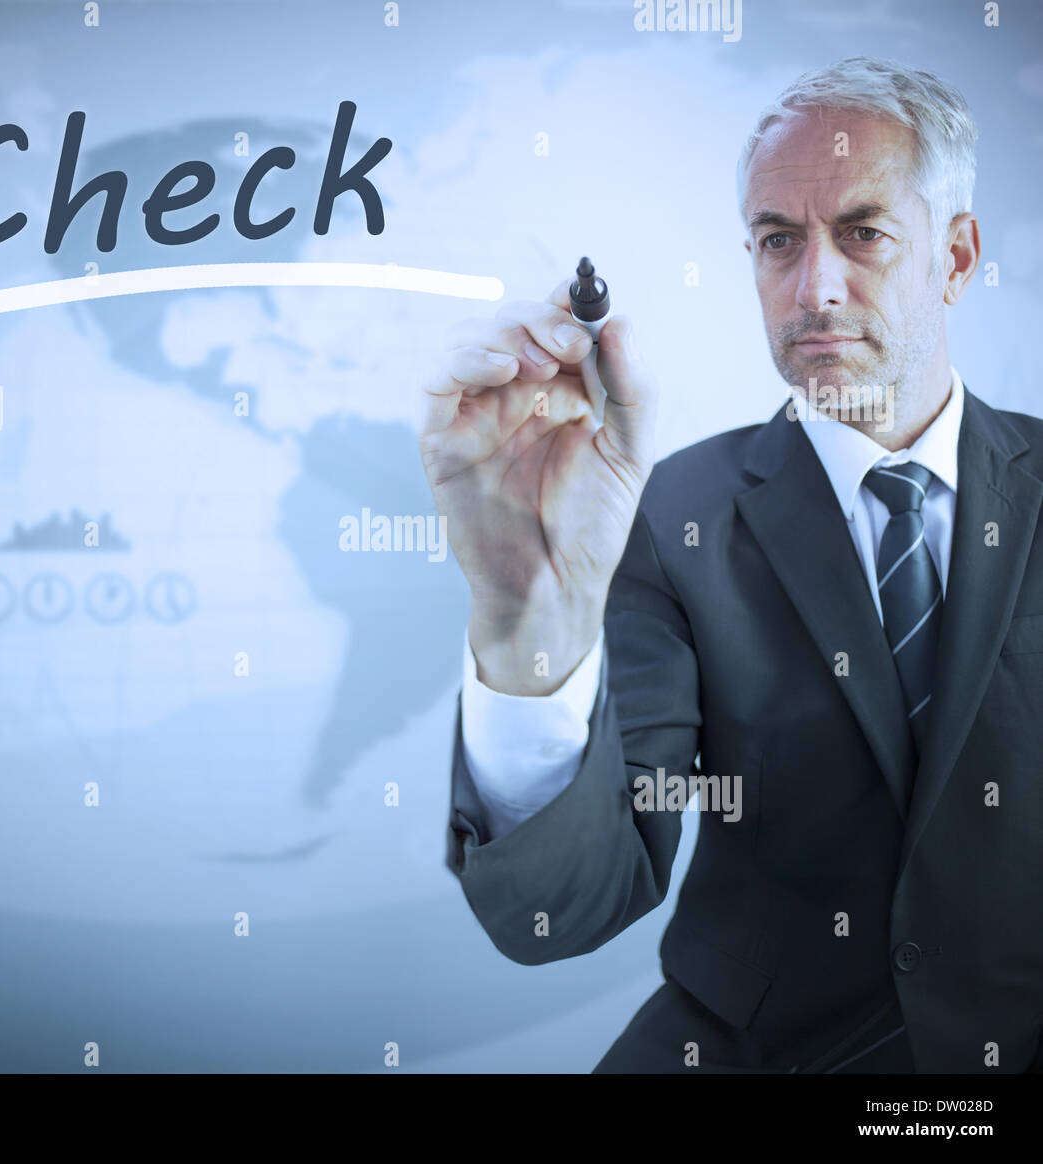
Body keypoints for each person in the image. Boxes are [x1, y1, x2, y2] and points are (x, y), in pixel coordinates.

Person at [418, 56, 1043, 1073]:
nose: (815, 288)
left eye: (863, 234)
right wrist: (524, 613)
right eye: (777, 242)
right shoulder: (671, 520)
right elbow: (560, 909)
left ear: (959, 258)